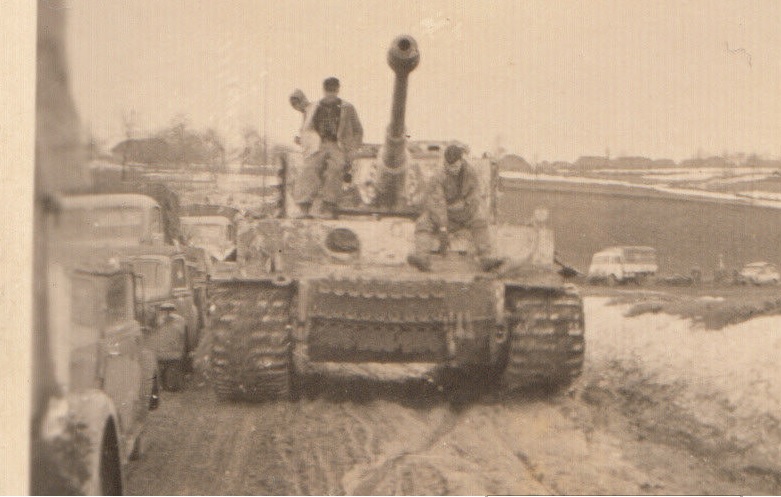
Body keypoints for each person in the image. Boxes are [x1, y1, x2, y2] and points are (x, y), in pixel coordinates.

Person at [407, 144, 505, 272]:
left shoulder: (471, 173)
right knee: (423, 222)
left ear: (461, 161)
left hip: (465, 212)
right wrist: (443, 228)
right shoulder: (438, 176)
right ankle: (422, 258)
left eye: (455, 166)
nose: (452, 169)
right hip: (445, 214)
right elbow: (437, 203)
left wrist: (465, 206)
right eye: (449, 166)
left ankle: (486, 258)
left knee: (480, 220)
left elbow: (475, 196)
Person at [293, 77, 363, 218]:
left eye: (333, 90)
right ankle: (304, 207)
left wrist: (352, 149)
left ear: (337, 90)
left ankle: (329, 207)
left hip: (337, 145)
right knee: (309, 168)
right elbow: (306, 127)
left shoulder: (347, 108)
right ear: (324, 90)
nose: (331, 93)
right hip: (318, 144)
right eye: (328, 90)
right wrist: (303, 140)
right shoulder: (314, 107)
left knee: (336, 168)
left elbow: (358, 130)